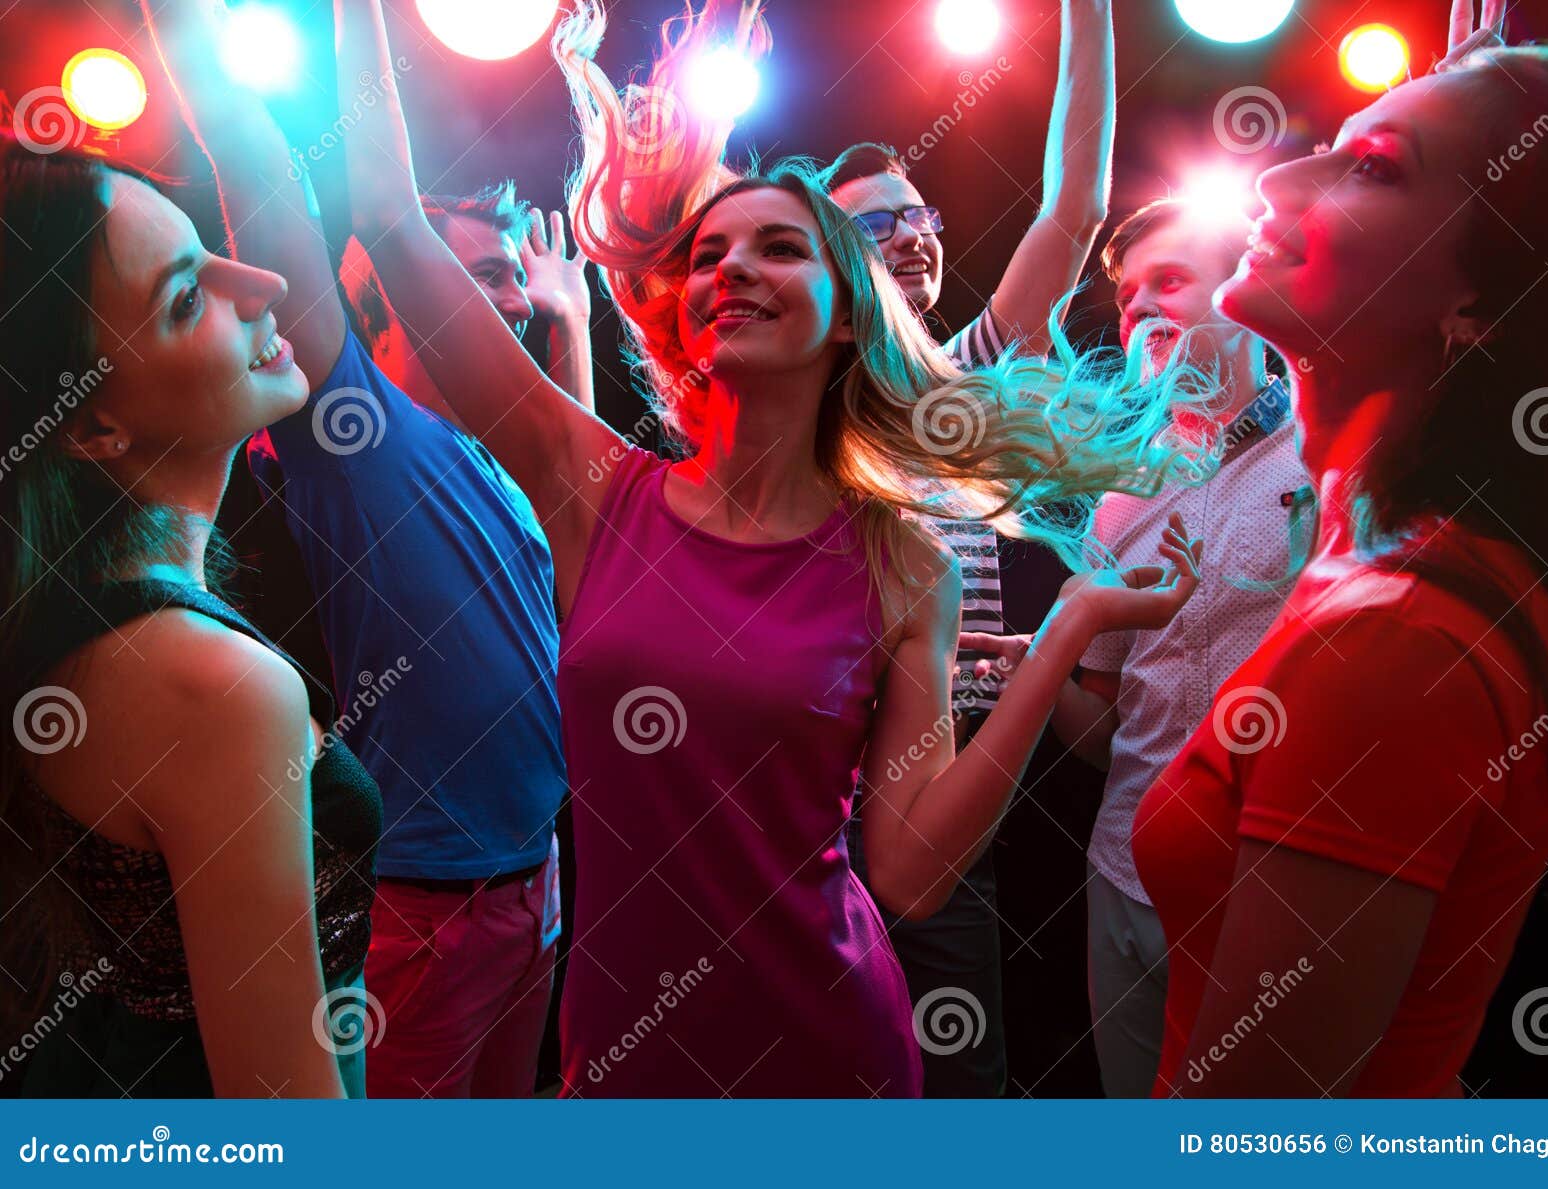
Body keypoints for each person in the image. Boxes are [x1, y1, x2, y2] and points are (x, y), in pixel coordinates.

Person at [334, 0, 1215, 1096]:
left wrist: (1069, 628)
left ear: (849, 313)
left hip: (826, 1051)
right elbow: (388, 214)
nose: (731, 267)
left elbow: (908, 869)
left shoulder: (904, 562)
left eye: (779, 248)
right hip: (622, 1057)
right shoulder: (598, 489)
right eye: (709, 253)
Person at [1135, 0, 1548, 1096]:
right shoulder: (1407, 568)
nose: (1272, 183)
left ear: (1483, 297)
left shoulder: (1394, 646)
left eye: (1371, 169)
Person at [142, 0, 568, 1098]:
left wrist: (568, 322)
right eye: (484, 275)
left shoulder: (505, 460)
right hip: (422, 915)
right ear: (378, 312)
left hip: (536, 889)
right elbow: (249, 148)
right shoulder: (357, 431)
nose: (514, 297)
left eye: (515, 274)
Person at [0, 136, 380, 1098]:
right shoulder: (217, 690)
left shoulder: (62, 630)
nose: (257, 281)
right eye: (185, 298)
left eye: (210, 248)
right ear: (90, 424)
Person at [820, 0, 1115, 1095]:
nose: (909, 230)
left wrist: (1088, 18)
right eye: (874, 222)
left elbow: (1074, 210)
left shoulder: (963, 387)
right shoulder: (792, 404)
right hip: (807, 784)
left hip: (944, 780)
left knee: (955, 1067)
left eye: (918, 211)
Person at [969, 197, 1308, 1097]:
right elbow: (1107, 725)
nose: (1140, 308)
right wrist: (1035, 669)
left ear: (1245, 292)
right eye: (1126, 297)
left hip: (1274, 888)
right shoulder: (1121, 499)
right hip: (1124, 874)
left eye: (1171, 281)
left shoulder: (1322, 457)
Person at [342, 182, 596, 415]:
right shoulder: (360, 438)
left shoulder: (491, 457)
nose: (525, 306)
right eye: (489, 276)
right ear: (400, 286)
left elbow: (573, 459)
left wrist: (571, 322)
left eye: (520, 281)